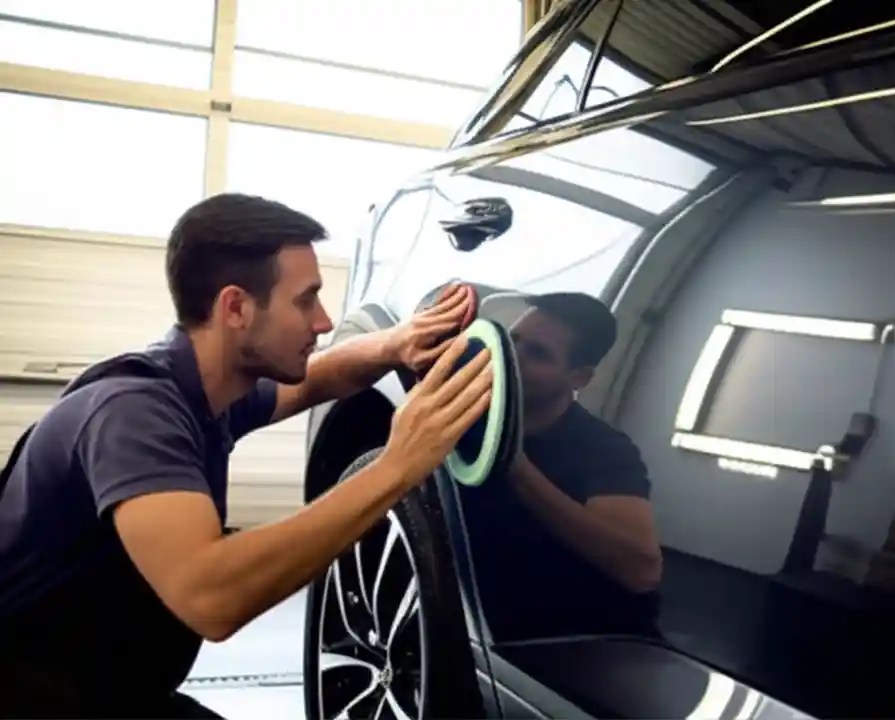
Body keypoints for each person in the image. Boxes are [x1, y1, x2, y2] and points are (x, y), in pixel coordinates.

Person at [0, 193, 493, 718]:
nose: (324, 322)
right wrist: (396, 467)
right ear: (235, 308)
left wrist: (395, 344)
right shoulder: (134, 415)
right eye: (306, 300)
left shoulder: (203, 392)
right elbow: (213, 599)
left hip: (106, 692)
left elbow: (316, 381)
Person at [461, 292, 663, 641]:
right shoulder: (466, 417)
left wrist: (514, 463)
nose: (510, 358)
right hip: (486, 632)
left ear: (579, 379)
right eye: (513, 339)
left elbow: (641, 570)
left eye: (537, 353)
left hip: (583, 647)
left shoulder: (604, 449)